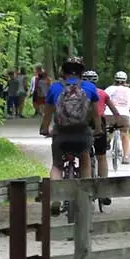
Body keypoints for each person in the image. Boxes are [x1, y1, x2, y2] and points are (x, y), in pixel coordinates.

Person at [43, 57, 101, 187]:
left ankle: (56, 197)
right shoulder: (90, 87)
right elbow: (96, 114)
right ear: (81, 73)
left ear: (63, 72)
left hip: (61, 134)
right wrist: (98, 129)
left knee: (57, 165)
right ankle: (85, 194)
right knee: (84, 159)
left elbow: (47, 114)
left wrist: (44, 129)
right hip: (81, 133)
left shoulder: (55, 88)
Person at [84, 70, 122, 186]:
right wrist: (115, 124)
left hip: (83, 122)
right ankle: (103, 187)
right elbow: (115, 112)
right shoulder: (103, 93)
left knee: (84, 155)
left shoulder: (79, 92)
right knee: (101, 156)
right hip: (100, 122)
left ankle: (86, 182)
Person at [105, 71, 130, 164]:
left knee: (107, 129)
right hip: (124, 115)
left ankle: (107, 139)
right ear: (125, 81)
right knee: (124, 133)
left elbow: (102, 100)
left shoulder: (109, 89)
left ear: (114, 80)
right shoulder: (129, 91)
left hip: (109, 114)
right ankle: (126, 157)